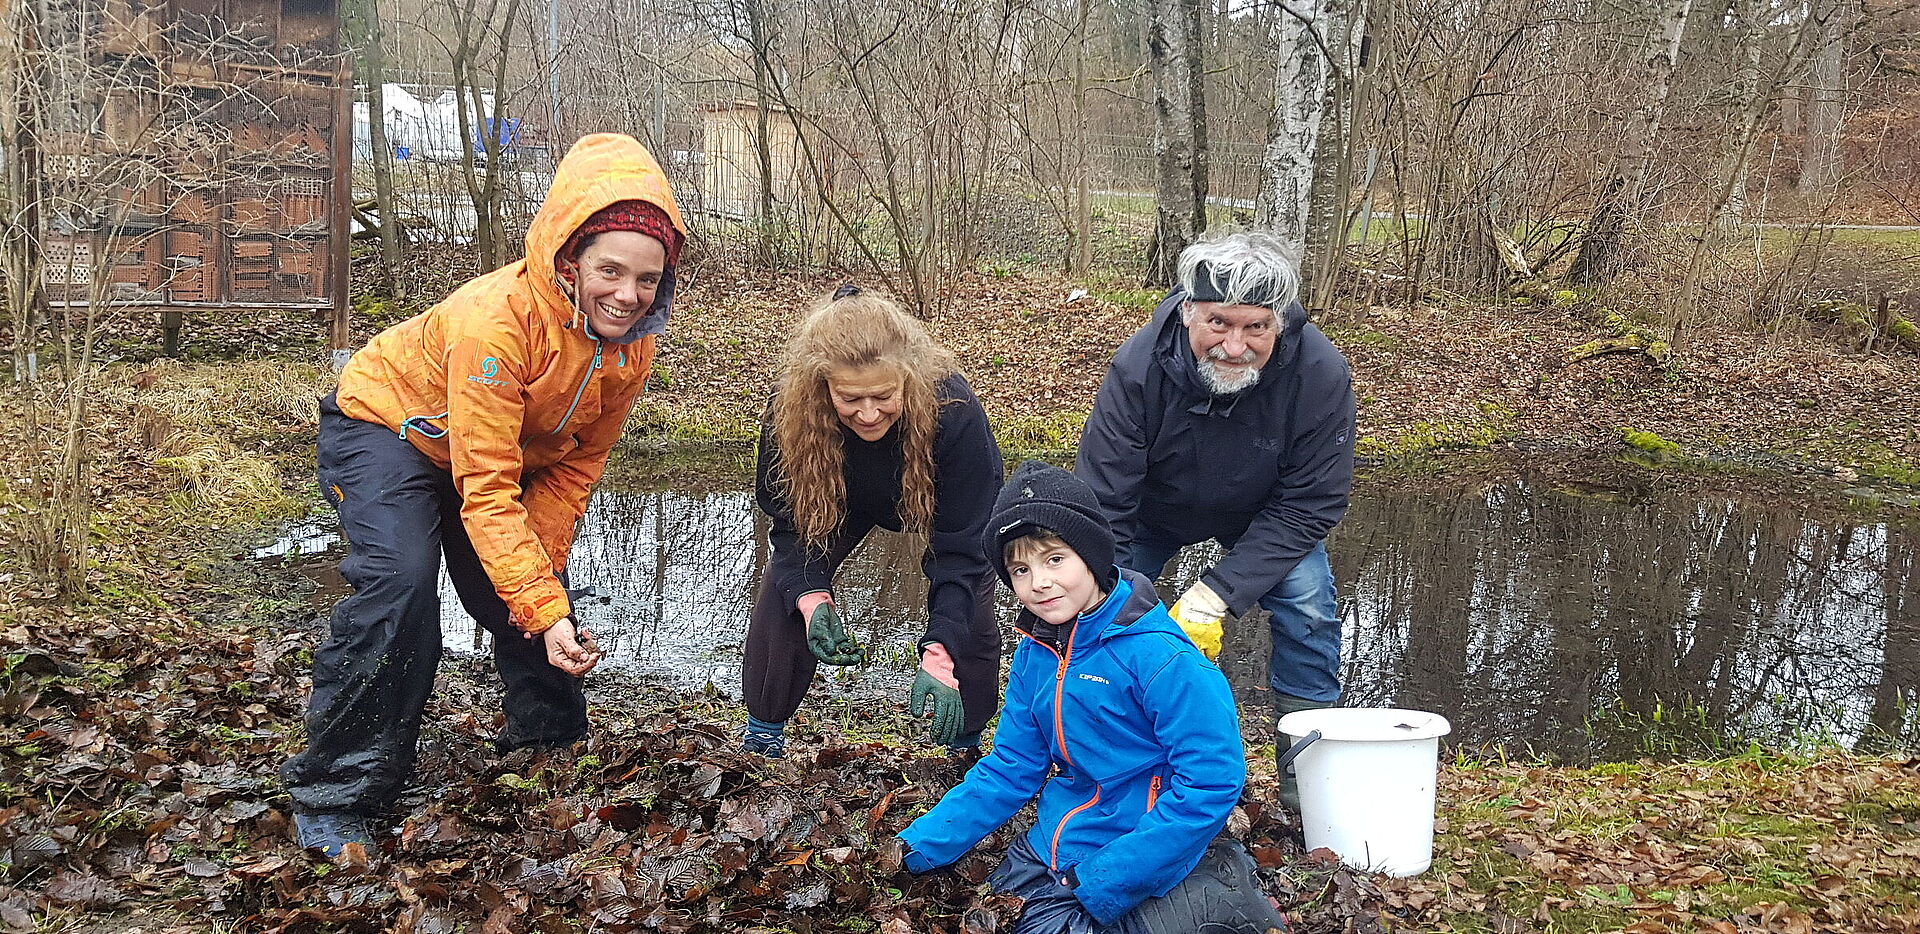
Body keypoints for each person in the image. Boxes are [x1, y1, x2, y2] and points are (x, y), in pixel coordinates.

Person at [280, 134, 686, 856]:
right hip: (389, 427)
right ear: (571, 260)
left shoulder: (633, 345)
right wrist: (536, 591)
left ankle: (548, 743)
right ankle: (339, 792)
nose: (628, 295)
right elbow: (487, 490)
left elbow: (574, 469)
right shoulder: (495, 323)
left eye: (647, 280)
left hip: (488, 456)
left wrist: (544, 597)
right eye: (611, 271)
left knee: (531, 587)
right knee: (401, 583)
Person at [897, 460, 1287, 934]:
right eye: (1020, 569)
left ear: (1092, 555)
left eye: (1054, 559)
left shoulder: (1162, 658)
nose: (1038, 582)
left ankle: (1215, 886)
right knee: (990, 919)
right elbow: (1011, 767)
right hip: (1056, 840)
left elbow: (1211, 782)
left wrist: (1104, 876)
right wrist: (919, 845)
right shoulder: (1034, 655)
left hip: (1135, 847)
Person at [1074, 230, 1355, 807]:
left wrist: (1216, 594)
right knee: (1097, 606)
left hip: (1267, 511)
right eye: (1218, 324)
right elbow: (1104, 502)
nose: (1235, 345)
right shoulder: (1137, 369)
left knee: (1310, 607)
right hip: (1150, 510)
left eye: (1257, 327)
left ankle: (1311, 787)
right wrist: (1122, 592)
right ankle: (1104, 762)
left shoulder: (1320, 373)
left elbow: (1312, 501)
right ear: (1186, 313)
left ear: (1281, 323)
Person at [744, 286, 1004, 758]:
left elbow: (964, 549)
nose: (868, 414)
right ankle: (763, 735)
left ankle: (965, 742)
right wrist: (810, 597)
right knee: (783, 591)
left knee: (972, 605)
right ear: (822, 385)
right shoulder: (792, 411)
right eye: (849, 398)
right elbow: (789, 527)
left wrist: (940, 651)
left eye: (884, 395)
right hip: (839, 497)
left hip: (925, 491)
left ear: (908, 376)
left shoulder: (955, 412)